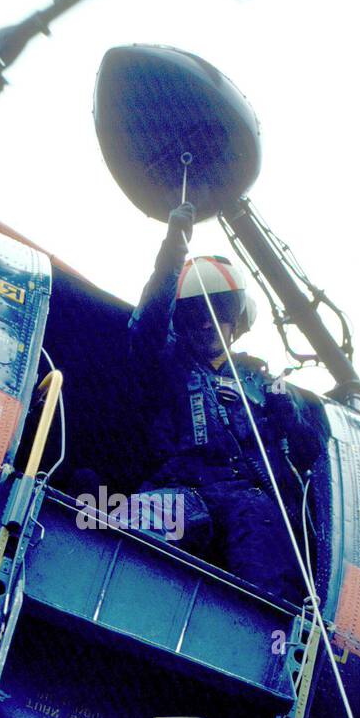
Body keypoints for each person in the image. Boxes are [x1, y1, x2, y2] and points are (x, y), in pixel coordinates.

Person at [127, 201, 324, 600]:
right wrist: (173, 250)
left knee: (268, 592)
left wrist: (289, 418)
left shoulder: (263, 383)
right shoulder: (167, 359)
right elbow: (148, 322)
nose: (207, 320)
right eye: (196, 311)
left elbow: (310, 457)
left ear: (237, 317)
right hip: (183, 485)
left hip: (251, 499)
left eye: (218, 309)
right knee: (131, 525)